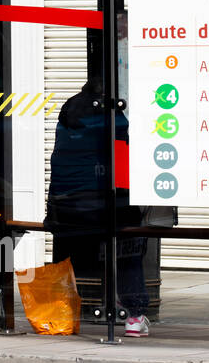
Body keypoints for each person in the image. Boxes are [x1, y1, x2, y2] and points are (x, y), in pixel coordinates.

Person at [45, 79, 150, 337]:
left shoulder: (69, 112)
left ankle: (62, 310)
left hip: (67, 209)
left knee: (69, 250)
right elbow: (124, 164)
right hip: (103, 208)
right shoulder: (116, 118)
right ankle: (134, 315)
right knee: (130, 239)